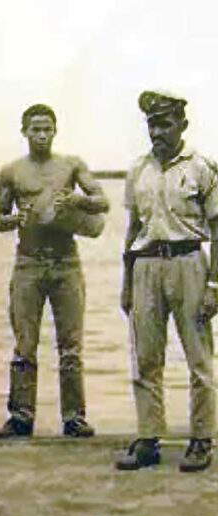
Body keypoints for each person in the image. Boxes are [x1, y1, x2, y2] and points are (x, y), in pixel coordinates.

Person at [0, 104, 109, 439]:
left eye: (47, 129)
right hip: (28, 262)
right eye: (35, 129)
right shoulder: (12, 171)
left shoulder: (71, 165)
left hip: (66, 263)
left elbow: (102, 202)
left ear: (55, 130)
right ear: (24, 132)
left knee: (71, 345)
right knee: (24, 345)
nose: (41, 135)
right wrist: (17, 218)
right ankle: (21, 417)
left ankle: (74, 417)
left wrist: (74, 201)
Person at [117, 90, 215, 472]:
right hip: (146, 266)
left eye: (165, 123)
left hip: (189, 262)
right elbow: (133, 228)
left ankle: (202, 439)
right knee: (145, 357)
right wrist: (126, 282)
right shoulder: (138, 169)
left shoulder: (201, 167)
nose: (157, 131)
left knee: (199, 358)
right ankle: (148, 437)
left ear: (182, 125)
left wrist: (214, 286)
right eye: (152, 124)